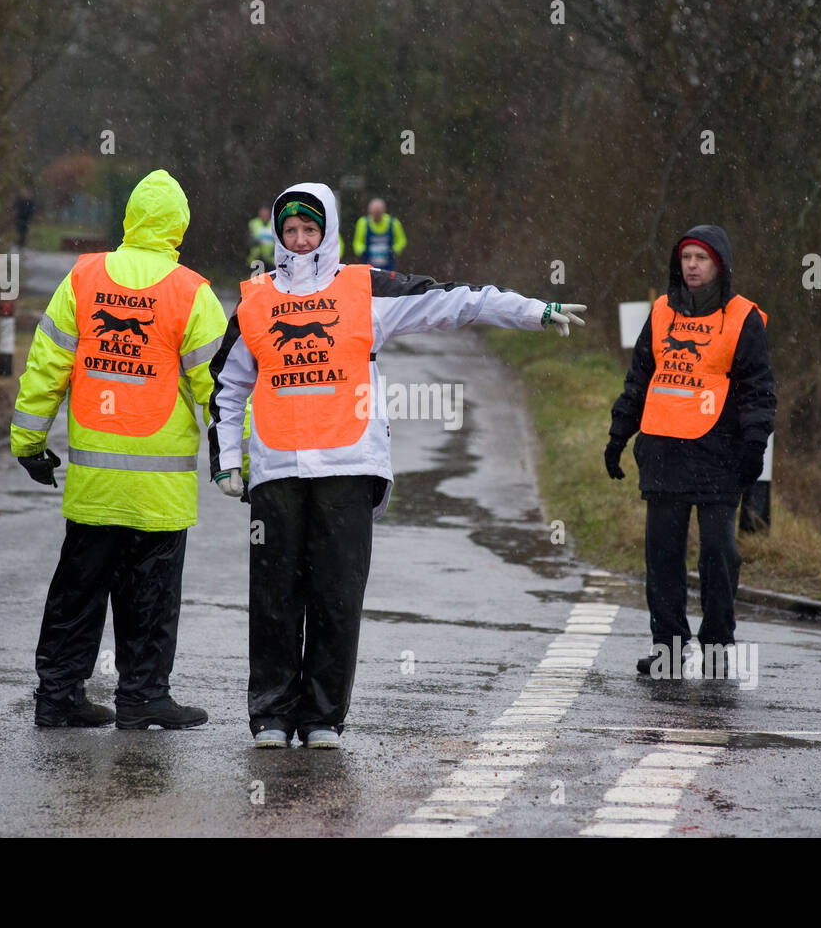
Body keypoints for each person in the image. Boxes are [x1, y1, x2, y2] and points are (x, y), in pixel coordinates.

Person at [208, 182, 585, 749]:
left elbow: (455, 301)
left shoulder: (365, 290)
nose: (300, 239)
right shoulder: (257, 298)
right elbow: (226, 385)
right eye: (290, 230)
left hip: (348, 466)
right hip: (277, 472)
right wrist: (227, 460)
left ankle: (320, 718)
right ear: (278, 235)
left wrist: (533, 311)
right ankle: (271, 714)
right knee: (275, 597)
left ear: (328, 231)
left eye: (310, 229)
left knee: (337, 595)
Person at [10, 169, 228, 729]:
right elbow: (221, 388)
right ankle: (143, 697)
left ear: (129, 218)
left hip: (95, 484)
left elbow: (47, 363)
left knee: (78, 592)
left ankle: (58, 698)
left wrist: (29, 442)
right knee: (151, 598)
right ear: (178, 226)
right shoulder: (191, 292)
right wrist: (243, 460)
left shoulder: (84, 277)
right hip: (160, 488)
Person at [604, 225, 775, 678]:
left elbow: (759, 392)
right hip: (662, 452)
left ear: (719, 264)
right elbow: (639, 378)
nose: (693, 265)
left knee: (718, 555)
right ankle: (670, 650)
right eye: (687, 258)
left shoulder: (744, 318)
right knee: (662, 558)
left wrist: (754, 447)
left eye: (702, 257)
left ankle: (718, 646)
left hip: (719, 455)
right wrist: (618, 435)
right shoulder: (661, 312)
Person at [352, 197, 406, 271]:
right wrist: (363, 251)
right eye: (374, 213)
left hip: (388, 264)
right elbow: (357, 242)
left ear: (383, 211)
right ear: (370, 212)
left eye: (379, 213)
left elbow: (402, 240)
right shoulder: (363, 223)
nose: (376, 216)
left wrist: (394, 250)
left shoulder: (393, 222)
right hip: (369, 264)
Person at [247, 204, 274, 270]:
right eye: (262, 211)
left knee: (270, 279)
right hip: (256, 259)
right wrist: (254, 242)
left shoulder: (274, 224)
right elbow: (248, 240)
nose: (264, 213)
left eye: (266, 211)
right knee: (258, 280)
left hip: (271, 260)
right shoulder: (253, 223)